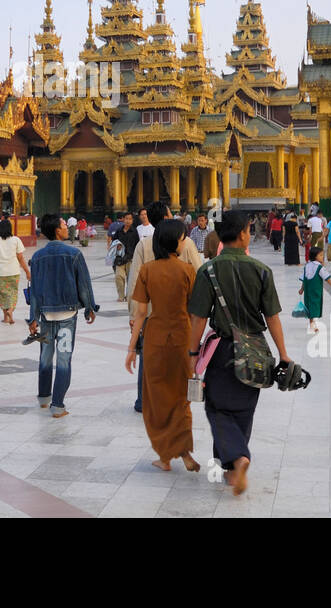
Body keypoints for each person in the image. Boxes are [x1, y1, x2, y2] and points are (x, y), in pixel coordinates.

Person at [187, 210, 290, 495]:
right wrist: (283, 354)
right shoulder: (261, 270)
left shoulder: (208, 271)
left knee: (217, 407)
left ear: (220, 236)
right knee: (244, 408)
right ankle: (233, 467)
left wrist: (193, 353)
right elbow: (273, 317)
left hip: (222, 349)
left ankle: (238, 458)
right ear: (244, 233)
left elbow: (198, 318)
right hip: (256, 350)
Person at [125, 218, 200, 473]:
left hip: (155, 341)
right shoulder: (188, 271)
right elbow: (196, 313)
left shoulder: (147, 270)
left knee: (156, 400)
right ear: (172, 241)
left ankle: (165, 457)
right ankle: (185, 451)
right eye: (181, 238)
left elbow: (140, 313)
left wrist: (131, 348)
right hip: (182, 339)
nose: (183, 242)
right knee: (181, 398)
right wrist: (195, 349)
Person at [128, 201, 206, 412]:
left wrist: (134, 315)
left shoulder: (143, 245)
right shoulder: (186, 243)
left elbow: (133, 282)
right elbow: (199, 276)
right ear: (165, 219)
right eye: (171, 215)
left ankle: (144, 401)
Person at [27, 213, 98, 418]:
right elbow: (83, 285)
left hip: (46, 316)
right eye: (64, 225)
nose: (67, 228)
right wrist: (90, 307)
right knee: (64, 360)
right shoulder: (73, 254)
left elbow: (35, 291)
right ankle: (57, 406)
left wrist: (33, 318)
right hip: (67, 315)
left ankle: (43, 398)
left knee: (45, 358)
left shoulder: (38, 257)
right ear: (57, 230)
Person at [0, 217, 29, 323]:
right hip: (14, 272)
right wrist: (27, 271)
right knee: (13, 293)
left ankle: (5, 317)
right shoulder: (16, 240)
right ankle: (10, 310)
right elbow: (20, 258)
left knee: (3, 294)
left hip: (1, 272)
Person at [299, 245, 331, 334]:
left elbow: (304, 279)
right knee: (314, 307)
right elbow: (327, 279)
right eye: (321, 255)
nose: (323, 257)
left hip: (308, 291)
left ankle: (311, 323)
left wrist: (302, 289)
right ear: (315, 257)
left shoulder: (307, 266)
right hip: (316, 291)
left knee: (309, 306)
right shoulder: (320, 268)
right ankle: (313, 325)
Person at [112, 211, 140, 302]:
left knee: (130, 279)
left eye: (130, 219)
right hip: (119, 258)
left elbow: (137, 245)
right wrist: (117, 246)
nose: (128, 221)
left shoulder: (135, 232)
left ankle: (129, 296)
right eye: (126, 219)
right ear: (123, 219)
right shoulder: (119, 231)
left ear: (132, 220)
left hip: (131, 258)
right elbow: (114, 242)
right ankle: (121, 295)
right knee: (118, 276)